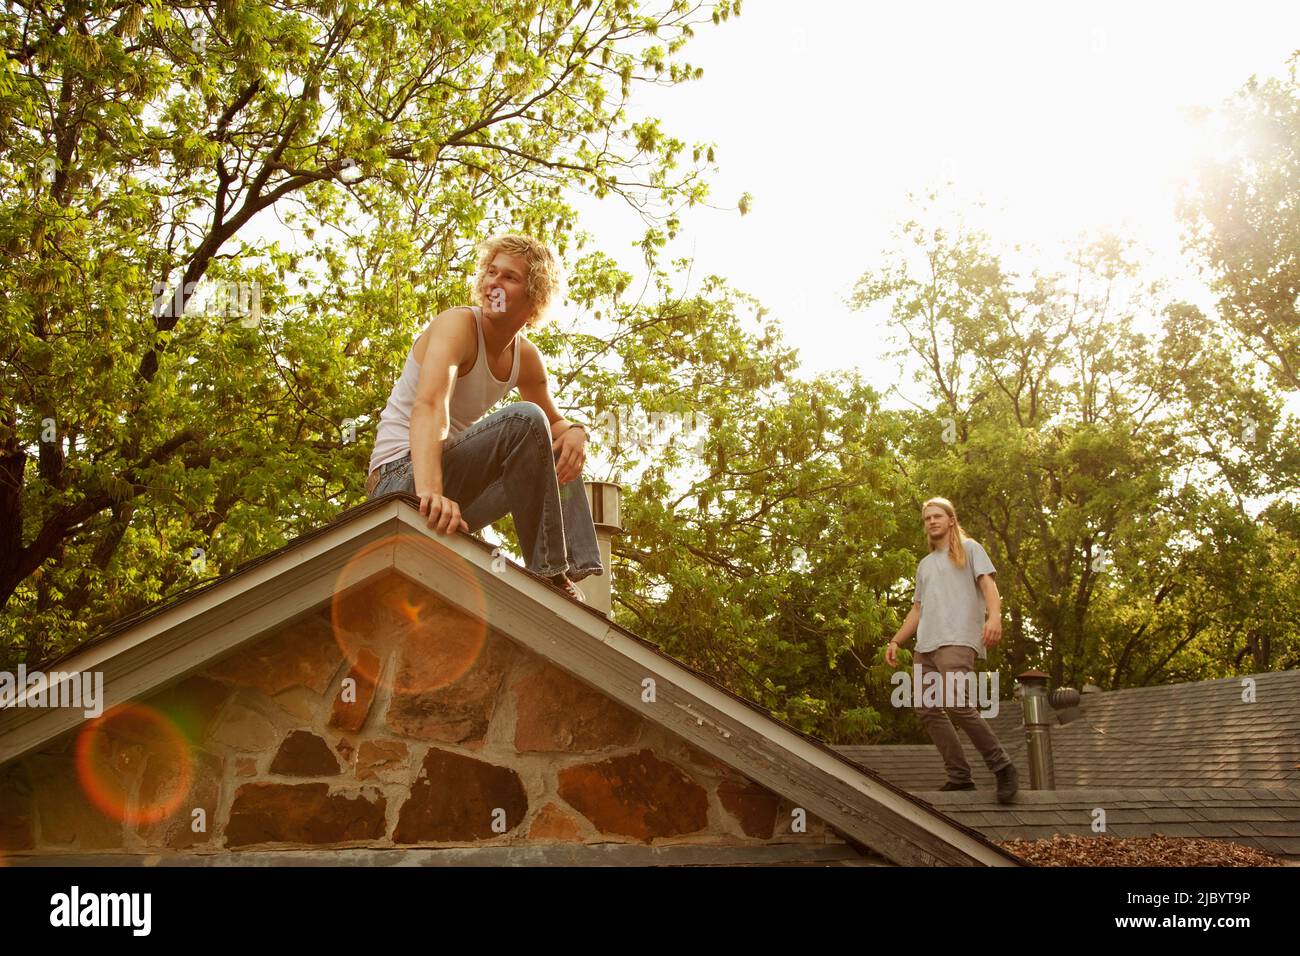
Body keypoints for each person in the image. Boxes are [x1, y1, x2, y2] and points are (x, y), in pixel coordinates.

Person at [365, 233, 603, 602]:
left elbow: (555, 423)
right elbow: (430, 406)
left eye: (509, 277)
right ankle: (549, 569)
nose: (494, 281)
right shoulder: (457, 325)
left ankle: (563, 574)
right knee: (525, 420)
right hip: (402, 480)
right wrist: (431, 493)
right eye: (491, 272)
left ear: (534, 297)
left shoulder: (526, 358)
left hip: (453, 495)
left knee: (554, 447)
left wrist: (576, 432)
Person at [885, 497, 1019, 802]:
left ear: (950, 520)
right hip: (927, 645)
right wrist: (895, 640)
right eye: (927, 518)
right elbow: (917, 610)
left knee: (958, 703)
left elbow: (988, 586)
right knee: (927, 709)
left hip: (957, 640)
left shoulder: (971, 549)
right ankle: (959, 777)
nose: (931, 521)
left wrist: (995, 617)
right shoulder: (925, 565)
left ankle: (1003, 766)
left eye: (937, 516)